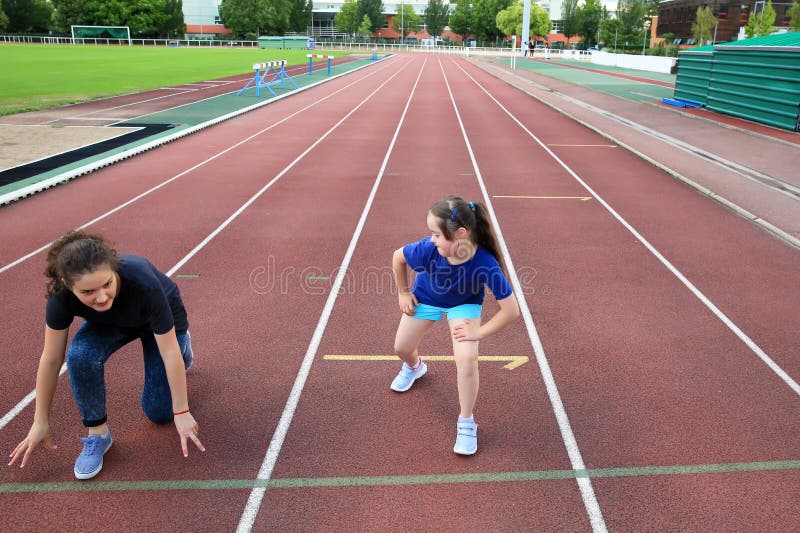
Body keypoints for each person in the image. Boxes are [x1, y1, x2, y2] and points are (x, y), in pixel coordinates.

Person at [7, 230, 204, 479]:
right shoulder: (60, 298)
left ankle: (185, 344)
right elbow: (51, 359)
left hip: (160, 324)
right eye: (87, 292)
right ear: (67, 286)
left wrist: (182, 412)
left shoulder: (143, 283)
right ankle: (98, 435)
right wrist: (40, 421)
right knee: (78, 356)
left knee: (160, 413)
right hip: (110, 322)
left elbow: (168, 351)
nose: (101, 297)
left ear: (114, 270)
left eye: (107, 284)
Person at [391, 195, 520, 455]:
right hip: (426, 298)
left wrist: (478, 332)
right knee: (402, 348)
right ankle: (415, 367)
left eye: (437, 234)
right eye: (432, 234)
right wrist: (403, 292)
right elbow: (398, 257)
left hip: (464, 305)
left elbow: (511, 311)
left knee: (467, 358)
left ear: (461, 234)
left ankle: (466, 421)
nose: (432, 239)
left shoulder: (485, 263)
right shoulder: (429, 249)